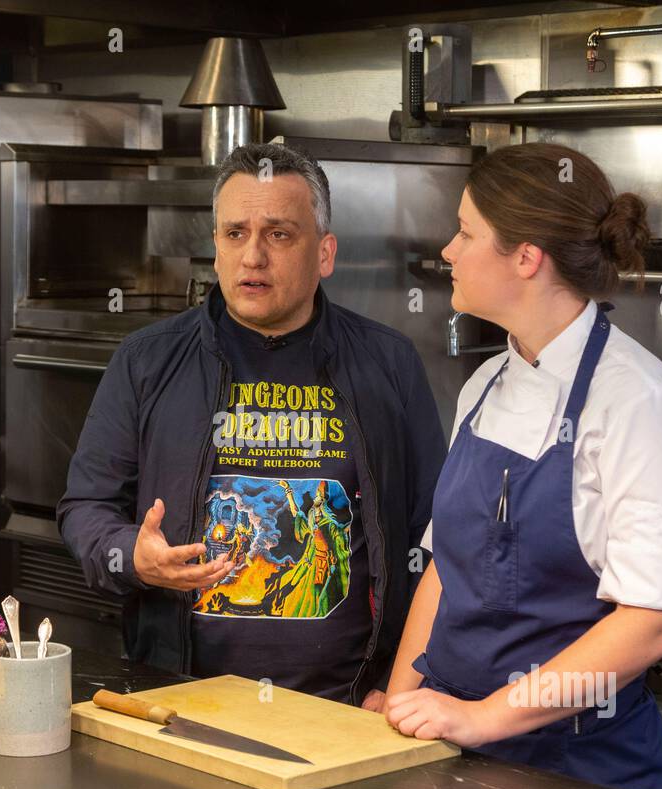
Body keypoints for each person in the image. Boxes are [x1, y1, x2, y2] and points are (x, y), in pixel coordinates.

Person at [58, 142, 446, 704]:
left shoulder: (388, 363)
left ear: (325, 253)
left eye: (280, 234)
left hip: (348, 703)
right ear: (215, 248)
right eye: (235, 233)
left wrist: (398, 682)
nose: (253, 257)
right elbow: (84, 509)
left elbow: (433, 536)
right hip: (180, 695)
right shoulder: (147, 360)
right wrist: (134, 556)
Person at [384, 143, 662, 789]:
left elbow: (651, 622)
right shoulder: (484, 384)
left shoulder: (638, 403)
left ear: (527, 257)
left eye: (467, 233)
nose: (448, 250)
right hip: (458, 751)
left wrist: (485, 716)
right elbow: (447, 565)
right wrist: (401, 703)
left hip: (583, 773)